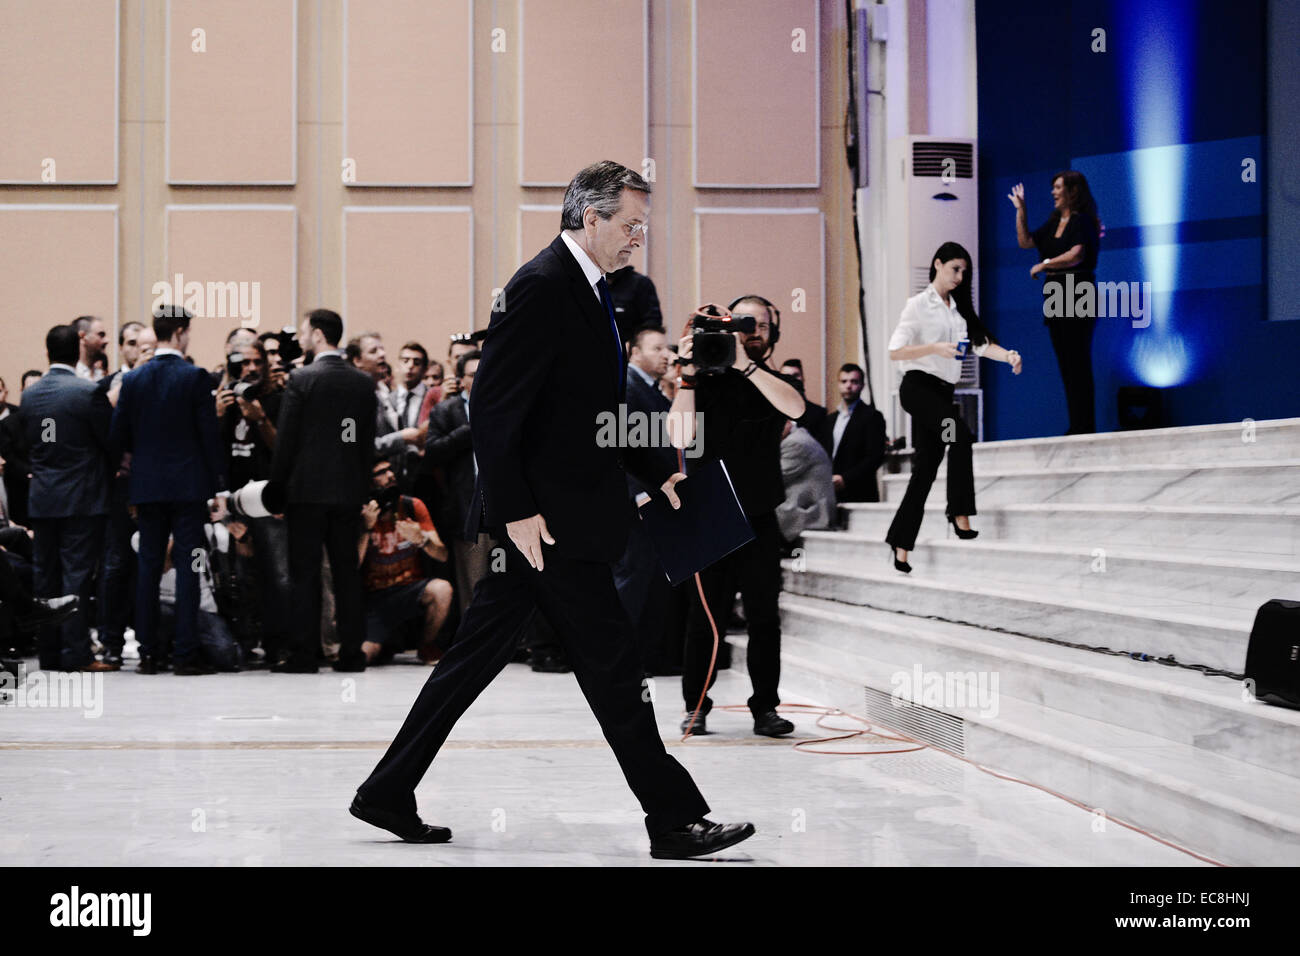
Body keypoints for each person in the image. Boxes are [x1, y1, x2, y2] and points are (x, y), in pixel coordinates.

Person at [353, 161, 754, 860]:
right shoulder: (539, 287)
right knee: (613, 670)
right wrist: (514, 511)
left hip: (557, 519)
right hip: (546, 525)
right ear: (588, 218)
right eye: (630, 225)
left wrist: (658, 469)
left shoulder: (595, 291)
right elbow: (493, 408)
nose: (638, 240)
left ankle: (387, 791)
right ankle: (672, 819)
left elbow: (598, 412)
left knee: (473, 665)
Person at [667, 297, 806, 738]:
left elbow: (797, 408)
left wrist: (747, 365)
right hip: (709, 511)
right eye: (744, 324)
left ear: (772, 332)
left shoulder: (770, 379)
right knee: (705, 618)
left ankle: (765, 708)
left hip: (760, 511)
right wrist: (687, 376)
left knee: (765, 616)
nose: (753, 331)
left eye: (761, 324)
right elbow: (676, 435)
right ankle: (696, 706)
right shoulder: (703, 378)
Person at [884, 242, 1023, 574]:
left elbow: (980, 345)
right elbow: (894, 351)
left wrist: (1008, 356)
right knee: (960, 435)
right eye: (954, 269)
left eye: (964, 271)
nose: (960, 277)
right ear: (937, 265)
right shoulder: (917, 306)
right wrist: (933, 347)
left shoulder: (960, 309)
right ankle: (959, 512)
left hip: (942, 394)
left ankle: (900, 544)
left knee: (925, 470)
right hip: (917, 388)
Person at [111, 306, 225, 675]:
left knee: (147, 568)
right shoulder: (196, 377)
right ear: (179, 332)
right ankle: (184, 652)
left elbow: (118, 437)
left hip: (146, 486)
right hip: (188, 486)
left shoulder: (134, 380)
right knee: (189, 567)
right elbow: (209, 436)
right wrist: (217, 486)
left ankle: (148, 652)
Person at [269, 309, 377, 673]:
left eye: (303, 332)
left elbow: (287, 440)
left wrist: (277, 487)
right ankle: (351, 653)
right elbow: (366, 443)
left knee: (306, 574)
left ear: (316, 334)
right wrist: (361, 490)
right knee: (347, 573)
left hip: (306, 491)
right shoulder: (363, 383)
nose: (300, 338)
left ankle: (304, 654)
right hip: (347, 491)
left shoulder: (301, 378)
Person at [20, 325, 115, 672]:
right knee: (75, 575)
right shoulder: (87, 392)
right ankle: (76, 654)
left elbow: (32, 441)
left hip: (43, 497)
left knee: (45, 576)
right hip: (80, 496)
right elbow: (109, 441)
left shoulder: (30, 396)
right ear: (77, 352)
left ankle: (49, 653)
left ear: (47, 353)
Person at [612, 324, 683, 675]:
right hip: (637, 500)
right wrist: (637, 492)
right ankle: (618, 658)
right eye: (656, 349)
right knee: (632, 578)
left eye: (666, 349)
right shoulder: (627, 384)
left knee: (648, 580)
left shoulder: (652, 389)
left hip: (656, 496)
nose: (666, 355)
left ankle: (643, 656)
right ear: (634, 351)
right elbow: (620, 443)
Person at [1009, 170, 1102, 434]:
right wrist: (1021, 210)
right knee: (1065, 362)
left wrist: (1045, 263)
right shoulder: (1053, 222)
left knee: (1078, 361)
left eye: (1058, 187)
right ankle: (1077, 424)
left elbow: (1077, 254)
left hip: (1077, 289)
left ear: (1073, 191)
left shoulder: (1082, 221)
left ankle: (1085, 426)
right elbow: (1026, 241)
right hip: (1055, 292)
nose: (1053, 192)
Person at [358, 459, 452, 664]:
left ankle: (427, 645)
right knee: (364, 656)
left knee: (442, 589)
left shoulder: (411, 506)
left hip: (410, 589)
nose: (390, 475)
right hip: (374, 597)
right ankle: (384, 644)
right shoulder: (361, 512)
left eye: (391, 469)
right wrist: (366, 529)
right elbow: (350, 567)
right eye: (381, 472)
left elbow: (442, 554)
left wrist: (422, 540)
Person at [817, 363, 887, 503]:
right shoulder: (829, 419)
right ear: (838, 384)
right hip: (830, 492)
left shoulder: (872, 416)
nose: (848, 386)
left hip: (860, 492)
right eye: (844, 381)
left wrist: (845, 479)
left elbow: (875, 457)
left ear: (862, 385)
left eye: (854, 381)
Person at [776, 418, 836, 544]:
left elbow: (776, 477)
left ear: (787, 423)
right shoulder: (798, 437)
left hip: (811, 511)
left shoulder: (795, 442)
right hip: (806, 505)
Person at [779, 359, 827, 434]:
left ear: (803, 378)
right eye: (786, 376)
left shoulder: (818, 414)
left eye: (795, 376)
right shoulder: (771, 413)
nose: (791, 380)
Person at [71, 316, 108, 382]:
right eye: (101, 335)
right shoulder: (71, 375)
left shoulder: (101, 375)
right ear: (82, 337)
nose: (107, 340)